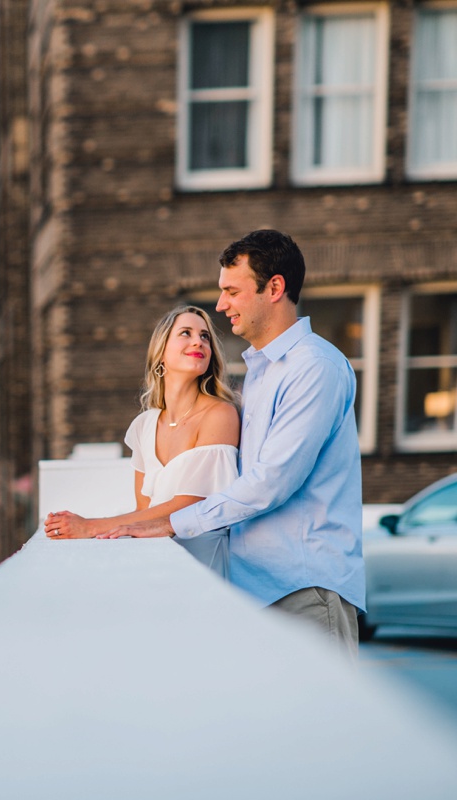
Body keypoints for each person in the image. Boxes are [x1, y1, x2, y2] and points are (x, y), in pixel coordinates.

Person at [96, 230, 365, 657]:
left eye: (231, 291)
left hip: (304, 588)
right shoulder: (260, 372)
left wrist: (167, 523)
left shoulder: (314, 366)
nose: (221, 306)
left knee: (318, 723)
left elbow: (271, 482)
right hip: (257, 589)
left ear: (274, 288)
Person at [44, 305, 240, 577]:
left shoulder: (220, 414)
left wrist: (92, 526)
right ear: (160, 353)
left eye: (205, 336)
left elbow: (190, 504)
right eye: (186, 333)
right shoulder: (143, 427)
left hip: (206, 567)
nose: (198, 341)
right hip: (157, 564)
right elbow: (144, 510)